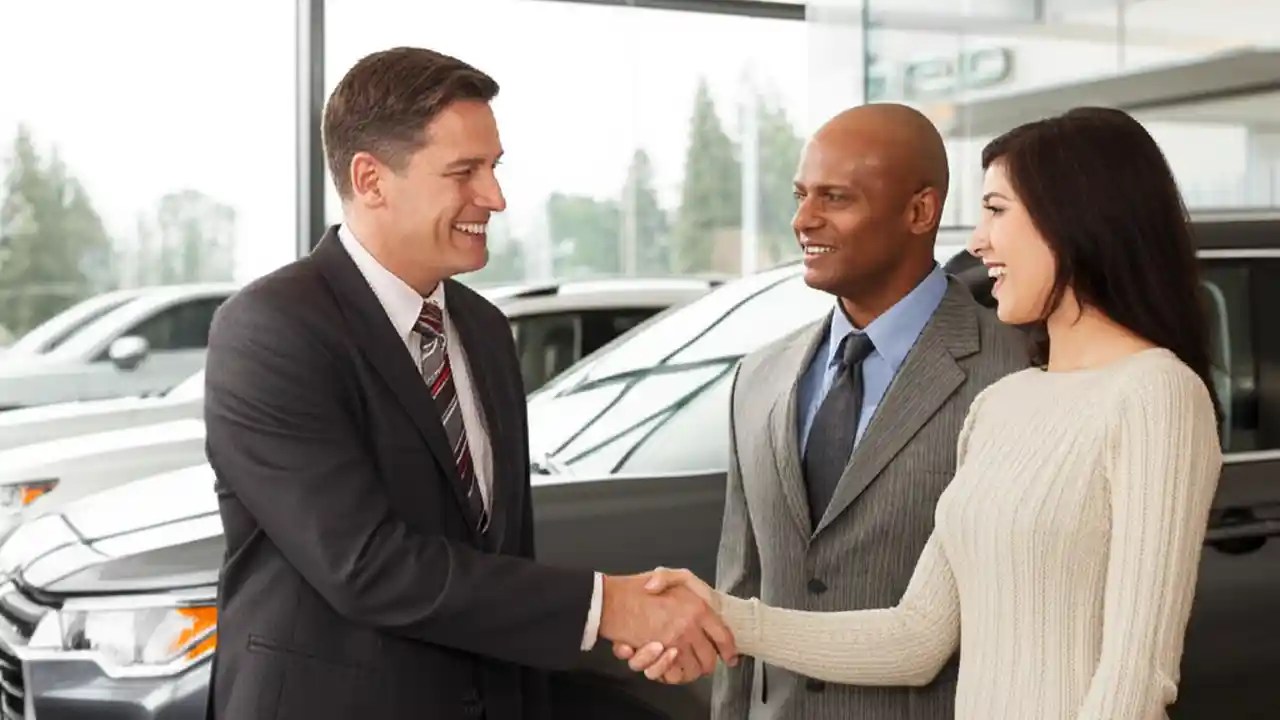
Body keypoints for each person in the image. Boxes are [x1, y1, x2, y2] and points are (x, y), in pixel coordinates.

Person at [621, 107, 1225, 720]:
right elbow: (914, 638)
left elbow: (1135, 680)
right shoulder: (1003, 404)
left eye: (996, 210)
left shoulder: (1157, 394)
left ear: (1075, 219)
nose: (976, 241)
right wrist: (719, 614)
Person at [202, 46, 733, 720]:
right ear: (371, 180)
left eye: (494, 167)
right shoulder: (271, 330)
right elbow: (368, 566)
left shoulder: (483, 328)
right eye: (464, 172)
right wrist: (609, 608)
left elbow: (502, 551)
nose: (495, 197)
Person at [619, 103, 1030, 720]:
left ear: (921, 211)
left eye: (835, 198)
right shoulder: (759, 376)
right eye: (800, 195)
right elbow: (742, 582)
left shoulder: (1015, 373)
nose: (803, 220)